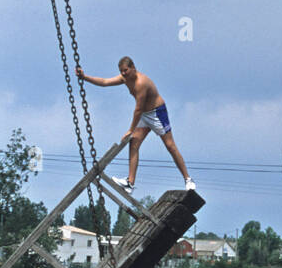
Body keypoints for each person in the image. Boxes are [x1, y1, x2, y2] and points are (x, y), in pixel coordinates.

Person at [76, 57, 195, 194]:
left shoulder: (141, 83)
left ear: (133, 68)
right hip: (144, 115)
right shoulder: (125, 78)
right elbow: (105, 82)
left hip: (157, 113)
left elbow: (138, 109)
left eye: (125, 70)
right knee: (134, 144)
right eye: (121, 71)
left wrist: (130, 130)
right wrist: (84, 77)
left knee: (170, 145)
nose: (124, 74)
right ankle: (130, 183)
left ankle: (188, 179)